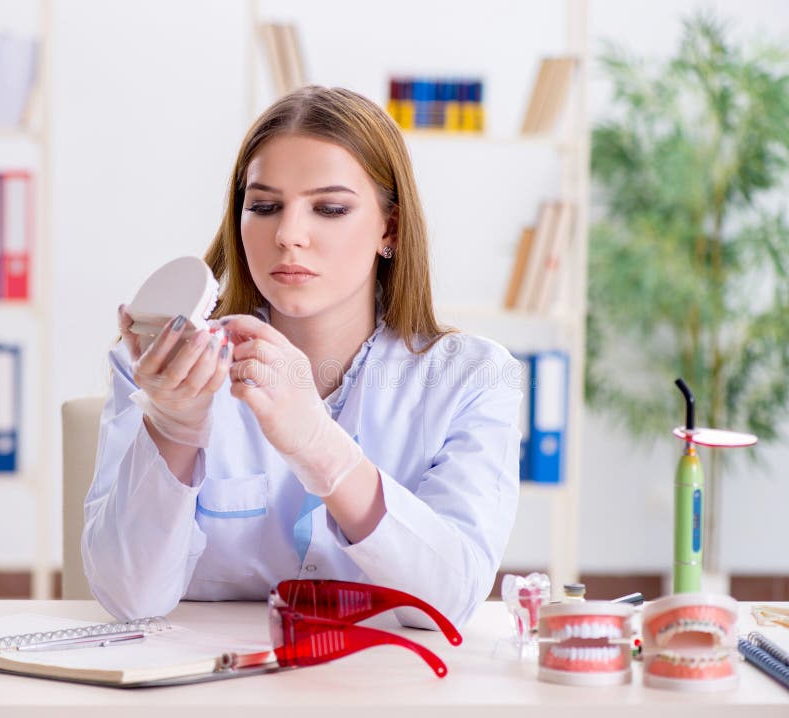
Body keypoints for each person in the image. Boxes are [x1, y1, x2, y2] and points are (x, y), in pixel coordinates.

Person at [82, 86, 521, 629]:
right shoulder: (162, 365)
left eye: (330, 208)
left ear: (391, 227)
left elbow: (446, 604)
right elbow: (130, 599)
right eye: (263, 207)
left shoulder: (473, 377)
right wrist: (176, 426)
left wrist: (319, 445)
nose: (288, 235)